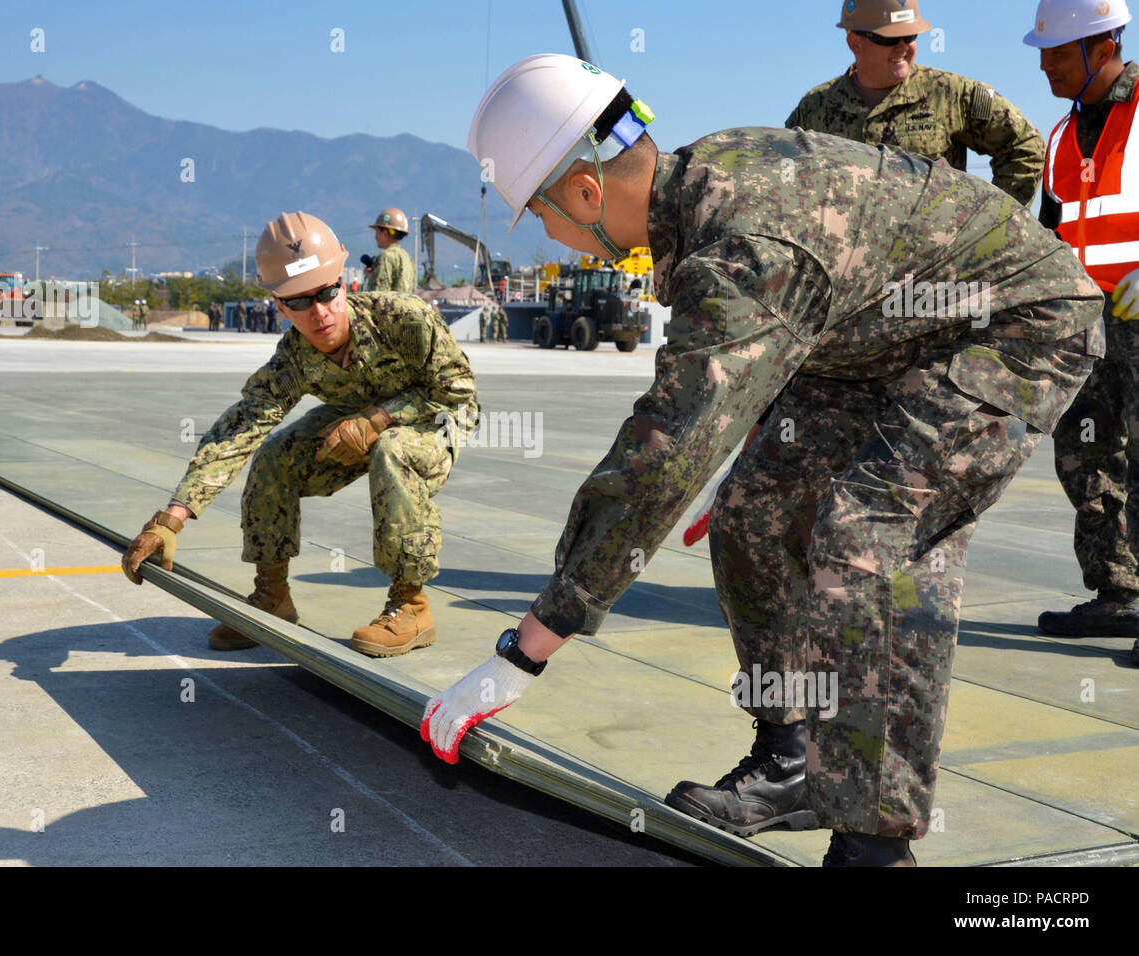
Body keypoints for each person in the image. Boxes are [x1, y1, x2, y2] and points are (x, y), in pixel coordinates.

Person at [421, 54, 1103, 866]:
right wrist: (758, 438)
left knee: (867, 543)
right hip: (889, 335)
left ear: (586, 193)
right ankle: (793, 761)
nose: (551, 236)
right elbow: (807, 313)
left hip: (1017, 323)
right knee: (753, 512)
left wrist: (526, 651)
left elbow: (661, 456)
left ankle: (875, 840)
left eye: (540, 215)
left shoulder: (742, 245)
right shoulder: (709, 179)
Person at [122, 212, 478, 657]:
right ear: (280, 307)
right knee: (274, 456)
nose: (321, 312)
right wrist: (171, 519)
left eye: (328, 293)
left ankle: (411, 604)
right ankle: (273, 595)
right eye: (301, 302)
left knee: (393, 450)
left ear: (344, 285)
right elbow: (240, 429)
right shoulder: (293, 358)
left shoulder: (403, 317)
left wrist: (376, 420)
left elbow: (457, 390)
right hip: (354, 419)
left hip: (437, 415)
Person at [1026, 0, 1139, 666]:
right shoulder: (1062, 137)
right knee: (1085, 459)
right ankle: (1117, 590)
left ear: (1101, 48)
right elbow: (1048, 236)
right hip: (1084, 328)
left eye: (1056, 52)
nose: (1044, 65)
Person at [788, 0, 1046, 204]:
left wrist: (991, 225)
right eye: (889, 38)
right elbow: (786, 176)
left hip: (931, 267)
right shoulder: (815, 109)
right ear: (855, 42)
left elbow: (1026, 145)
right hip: (845, 267)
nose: (903, 46)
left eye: (910, 36)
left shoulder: (951, 94)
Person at [361, 208, 416, 292]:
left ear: (385, 232)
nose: (375, 237)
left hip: (390, 305)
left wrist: (373, 279)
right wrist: (373, 276)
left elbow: (379, 295)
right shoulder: (407, 257)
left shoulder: (386, 257)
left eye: (377, 232)